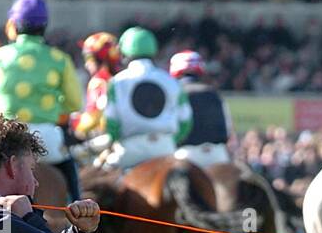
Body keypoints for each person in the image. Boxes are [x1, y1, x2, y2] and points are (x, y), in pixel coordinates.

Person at [0, 0, 83, 201]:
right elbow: (75, 102)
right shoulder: (60, 59)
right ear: (44, 26)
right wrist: (53, 110)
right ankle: (77, 209)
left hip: (5, 138)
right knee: (72, 173)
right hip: (47, 139)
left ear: (14, 24)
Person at [99, 26, 192, 170]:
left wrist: (116, 139)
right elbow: (185, 122)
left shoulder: (116, 83)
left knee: (98, 180)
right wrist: (169, 140)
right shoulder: (171, 81)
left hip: (130, 148)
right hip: (165, 147)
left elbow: (111, 122)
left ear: (124, 53)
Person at [170, 49, 234, 166]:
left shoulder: (175, 94)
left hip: (186, 153)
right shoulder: (215, 94)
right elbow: (229, 130)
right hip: (218, 154)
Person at [71, 31, 120, 141]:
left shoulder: (98, 82)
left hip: (103, 138)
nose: (86, 64)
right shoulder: (120, 79)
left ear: (99, 59)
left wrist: (75, 124)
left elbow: (93, 118)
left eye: (88, 58)